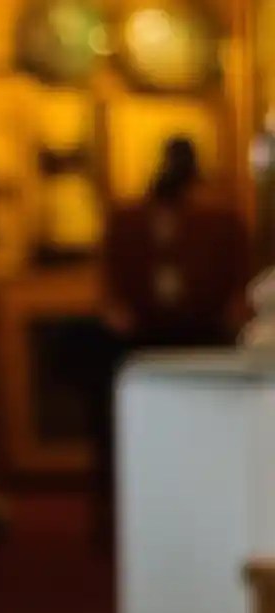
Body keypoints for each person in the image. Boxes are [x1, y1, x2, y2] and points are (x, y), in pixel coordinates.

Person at [91, 136, 251, 547]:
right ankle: (121, 523)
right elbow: (112, 285)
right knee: (123, 427)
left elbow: (237, 284)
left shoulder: (219, 223)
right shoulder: (128, 221)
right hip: (141, 338)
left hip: (205, 333)